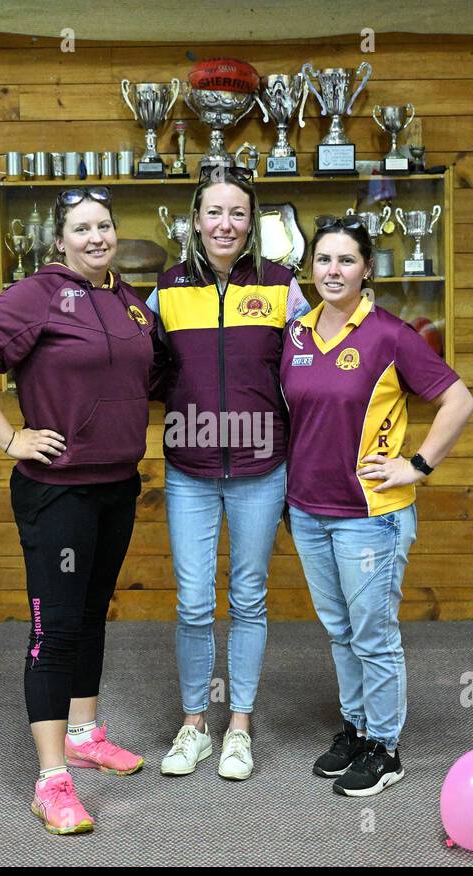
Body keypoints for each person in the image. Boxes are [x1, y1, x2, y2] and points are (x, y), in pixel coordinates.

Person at [0, 186, 155, 834]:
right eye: (82, 228)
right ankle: (51, 781)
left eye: (104, 226)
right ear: (60, 240)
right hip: (58, 491)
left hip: (117, 485)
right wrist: (9, 437)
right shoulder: (36, 295)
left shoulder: (128, 302)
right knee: (55, 629)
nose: (96, 237)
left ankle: (86, 735)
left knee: (92, 616)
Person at [281, 215, 473, 797]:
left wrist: (415, 466)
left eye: (346, 260)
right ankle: (356, 726)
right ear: (310, 268)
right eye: (323, 260)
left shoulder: (391, 334)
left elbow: (458, 402)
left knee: (373, 635)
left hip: (371, 514)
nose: (333, 270)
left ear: (367, 270)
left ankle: (385, 747)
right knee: (340, 631)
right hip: (309, 511)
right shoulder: (296, 335)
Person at [146, 166, 311, 780]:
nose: (225, 224)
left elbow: (307, 368)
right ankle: (194, 724)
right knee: (192, 602)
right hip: (189, 466)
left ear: (253, 222)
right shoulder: (166, 290)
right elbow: (148, 370)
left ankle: (238, 727)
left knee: (247, 597)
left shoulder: (283, 288)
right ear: (196, 220)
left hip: (260, 468)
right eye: (213, 212)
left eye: (237, 213)